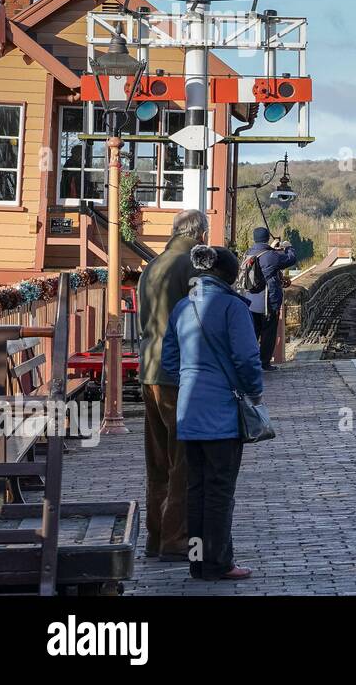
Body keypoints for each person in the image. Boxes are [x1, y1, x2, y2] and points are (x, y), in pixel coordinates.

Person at [161, 244, 263, 581]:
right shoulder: (233, 307)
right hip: (221, 414)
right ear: (229, 276)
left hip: (189, 413)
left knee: (195, 490)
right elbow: (248, 359)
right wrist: (254, 392)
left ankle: (196, 561)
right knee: (220, 492)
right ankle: (218, 563)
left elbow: (170, 363)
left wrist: (191, 381)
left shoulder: (180, 307)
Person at [135, 208, 208, 561]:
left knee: (157, 459)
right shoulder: (192, 266)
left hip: (148, 368)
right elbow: (200, 319)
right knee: (184, 456)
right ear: (201, 235)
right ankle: (175, 537)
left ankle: (154, 534)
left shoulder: (153, 265)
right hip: (177, 372)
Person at [243, 227, 295, 372]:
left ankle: (251, 361)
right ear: (267, 238)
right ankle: (264, 362)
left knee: (254, 332)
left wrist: (271, 248)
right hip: (268, 301)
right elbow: (290, 259)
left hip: (251, 300)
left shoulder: (248, 253)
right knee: (269, 332)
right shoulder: (271, 256)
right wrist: (288, 246)